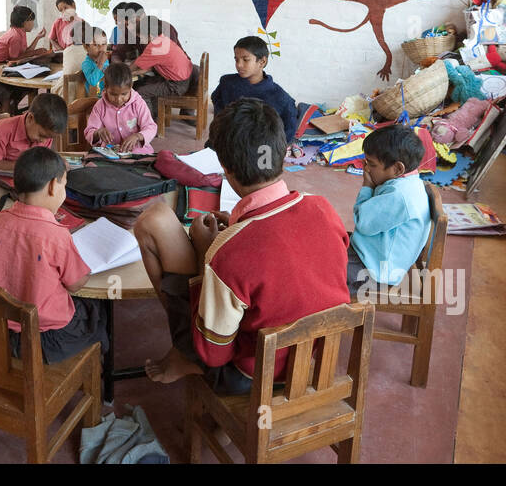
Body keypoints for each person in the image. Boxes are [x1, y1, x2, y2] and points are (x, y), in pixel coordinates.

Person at [131, 98, 350, 391]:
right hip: (313, 358)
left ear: (224, 167)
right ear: (283, 152)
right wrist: (237, 230)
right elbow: (292, 258)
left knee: (154, 220)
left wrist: (204, 255)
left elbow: (214, 354)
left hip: (252, 377)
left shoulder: (228, 253)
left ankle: (185, 356)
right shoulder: (323, 208)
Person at [0, 147, 108, 363]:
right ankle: (98, 370)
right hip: (47, 340)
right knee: (97, 311)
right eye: (65, 185)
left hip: (1, 328)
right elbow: (76, 284)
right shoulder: (56, 235)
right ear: (52, 186)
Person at [345, 124, 431, 296]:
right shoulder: (407, 183)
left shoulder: (399, 195)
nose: (367, 169)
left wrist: (367, 186)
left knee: (317, 273)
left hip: (373, 273)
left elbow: (362, 222)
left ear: (398, 168)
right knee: (324, 241)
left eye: (372, 164)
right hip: (372, 255)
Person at [211, 35, 299, 146]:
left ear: (262, 62)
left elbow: (288, 131)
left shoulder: (280, 98)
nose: (239, 65)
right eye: (236, 59)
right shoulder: (227, 83)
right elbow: (217, 106)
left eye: (245, 60)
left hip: (255, 153)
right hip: (224, 146)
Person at [0, 92, 67, 179]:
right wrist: (27, 166)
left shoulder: (46, 135)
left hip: (20, 177)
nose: (44, 141)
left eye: (48, 138)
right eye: (41, 135)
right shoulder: (2, 130)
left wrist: (55, 162)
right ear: (31, 118)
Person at [84, 63, 156, 154]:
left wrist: (138, 136)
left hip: (135, 150)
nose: (118, 99)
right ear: (105, 88)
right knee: (94, 162)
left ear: (131, 87)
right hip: (108, 151)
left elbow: (151, 127)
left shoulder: (138, 103)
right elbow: (89, 132)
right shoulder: (100, 106)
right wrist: (98, 133)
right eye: (113, 94)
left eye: (124, 94)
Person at [131, 30, 195, 102]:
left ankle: (148, 113)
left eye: (141, 38)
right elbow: (147, 67)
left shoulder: (154, 47)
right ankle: (156, 112)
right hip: (187, 78)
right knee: (149, 83)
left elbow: (137, 64)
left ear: (150, 36)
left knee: (140, 93)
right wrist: (134, 72)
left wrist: (124, 72)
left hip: (176, 86)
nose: (140, 41)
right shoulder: (163, 39)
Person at [80, 22, 110, 93]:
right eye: (96, 45)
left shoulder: (105, 60)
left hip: (108, 94)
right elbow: (93, 82)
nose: (101, 48)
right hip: (96, 97)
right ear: (86, 47)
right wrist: (100, 64)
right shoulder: (86, 64)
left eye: (103, 44)